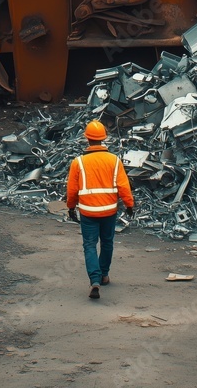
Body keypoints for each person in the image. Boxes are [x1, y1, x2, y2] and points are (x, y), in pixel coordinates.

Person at [66, 120, 134, 299]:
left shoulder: (78, 162)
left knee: (89, 245)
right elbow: (123, 186)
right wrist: (129, 205)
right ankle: (104, 275)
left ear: (87, 139)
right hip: (109, 211)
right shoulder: (114, 160)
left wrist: (71, 207)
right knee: (107, 242)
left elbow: (72, 190)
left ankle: (94, 281)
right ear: (104, 139)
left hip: (88, 212)